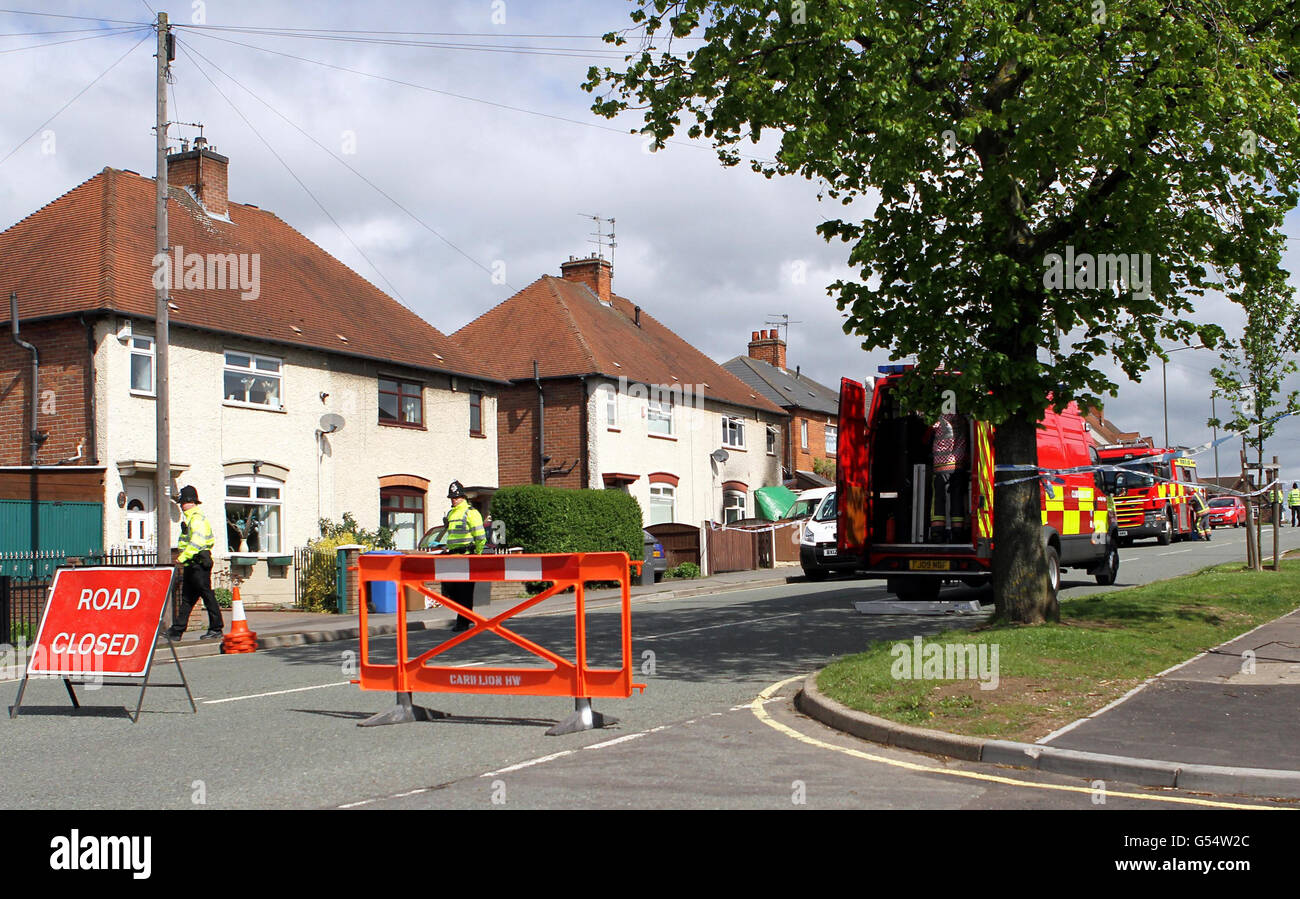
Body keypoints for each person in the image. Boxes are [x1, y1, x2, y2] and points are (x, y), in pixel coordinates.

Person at [165, 485, 223, 640]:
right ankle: (176, 631)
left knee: (207, 595)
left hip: (198, 563)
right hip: (193, 564)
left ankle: (216, 628)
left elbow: (197, 543)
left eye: (182, 502)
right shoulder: (191, 518)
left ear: (189, 502)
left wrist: (181, 558)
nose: (181, 506)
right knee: (187, 599)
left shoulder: (196, 518)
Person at [442, 480, 486, 632]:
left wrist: (478, 554)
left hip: (467, 555)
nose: (454, 500)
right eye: (452, 497)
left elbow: (480, 536)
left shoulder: (471, 512)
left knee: (464, 591)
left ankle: (463, 622)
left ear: (463, 497)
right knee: (450, 589)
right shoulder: (451, 513)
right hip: (453, 556)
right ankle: (467, 617)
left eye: (457, 497)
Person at [926, 412, 970, 543]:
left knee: (938, 498)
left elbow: (926, 438)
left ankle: (937, 533)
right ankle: (958, 533)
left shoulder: (938, 419)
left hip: (941, 464)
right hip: (958, 464)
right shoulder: (963, 420)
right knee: (957, 497)